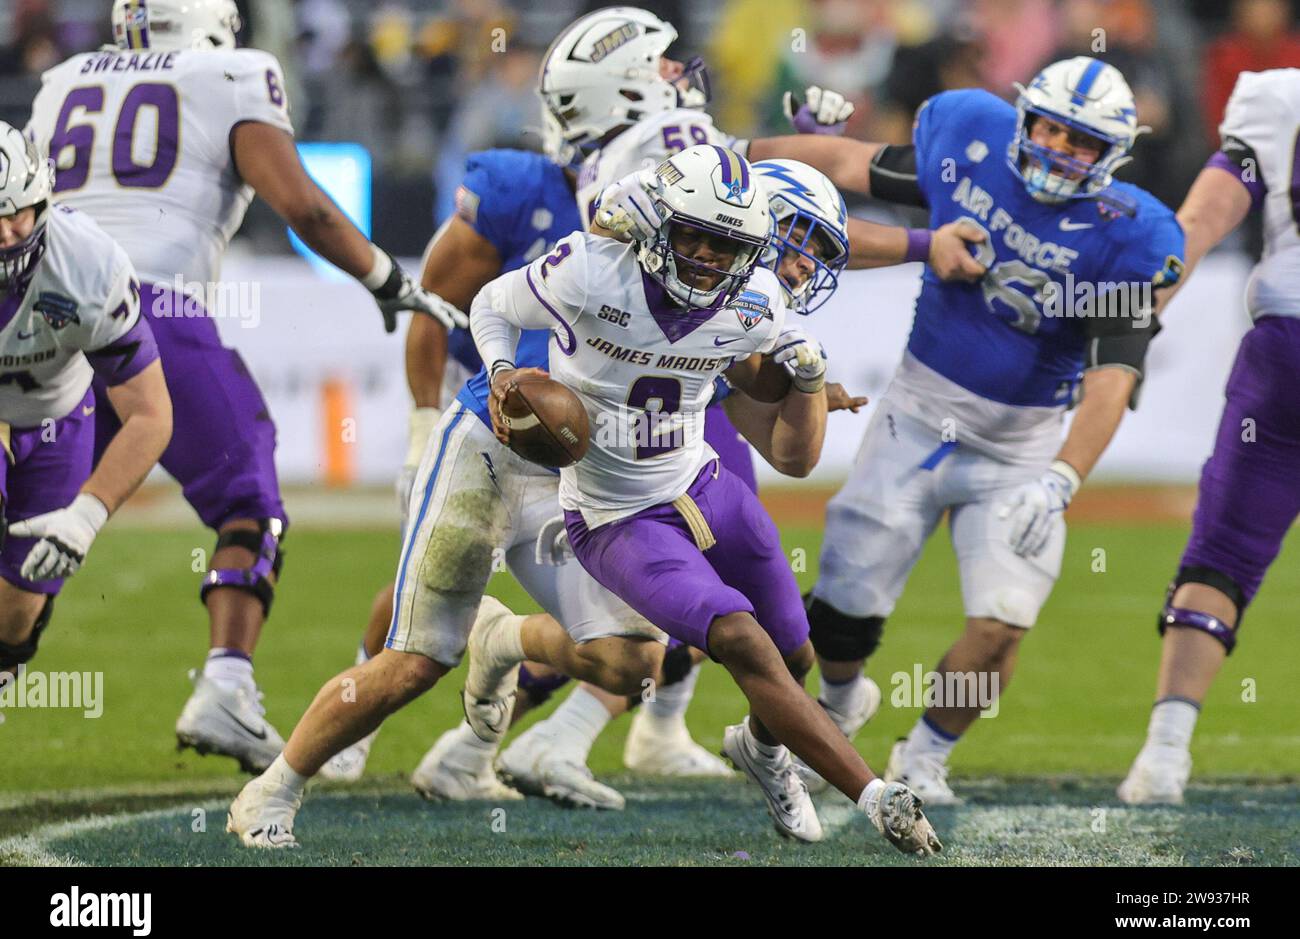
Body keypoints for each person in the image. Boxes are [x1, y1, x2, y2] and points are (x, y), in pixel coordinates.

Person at [460, 143, 941, 854]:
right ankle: (872, 792)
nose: (711, 259)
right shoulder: (595, 270)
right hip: (615, 516)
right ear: (661, 225)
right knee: (739, 639)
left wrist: (809, 378)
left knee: (796, 655)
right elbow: (493, 303)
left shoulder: (757, 301)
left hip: (703, 484)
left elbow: (795, 453)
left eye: (729, 246)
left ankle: (761, 748)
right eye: (697, 238)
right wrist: (502, 372)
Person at [23, 0, 463, 773]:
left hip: (47, 319)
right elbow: (307, 207)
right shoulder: (232, 72)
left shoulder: (61, 79)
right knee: (247, 499)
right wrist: (386, 278)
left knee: (31, 530)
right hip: (150, 307)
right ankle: (225, 682)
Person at [745, 56, 1185, 802]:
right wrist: (737, 156)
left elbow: (1114, 378)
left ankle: (925, 757)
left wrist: (1063, 477)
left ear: (1111, 156)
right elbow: (852, 163)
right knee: (843, 607)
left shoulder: (1128, 235)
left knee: (1003, 621)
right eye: (1050, 129)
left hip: (1022, 446)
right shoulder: (971, 139)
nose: (1058, 150)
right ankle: (846, 698)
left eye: (1081, 144)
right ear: (1024, 118)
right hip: (917, 412)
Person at [1119, 68, 1300, 805]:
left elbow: (1198, 222)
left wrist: (1139, 320)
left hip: (1289, 350)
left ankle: (1165, 754)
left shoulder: (1281, 96)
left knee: (1223, 554)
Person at [0, 126, 172, 672]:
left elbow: (150, 414)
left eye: (16, 214)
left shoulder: (87, 266)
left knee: (15, 614)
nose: (6, 235)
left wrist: (88, 515)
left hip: (59, 419)